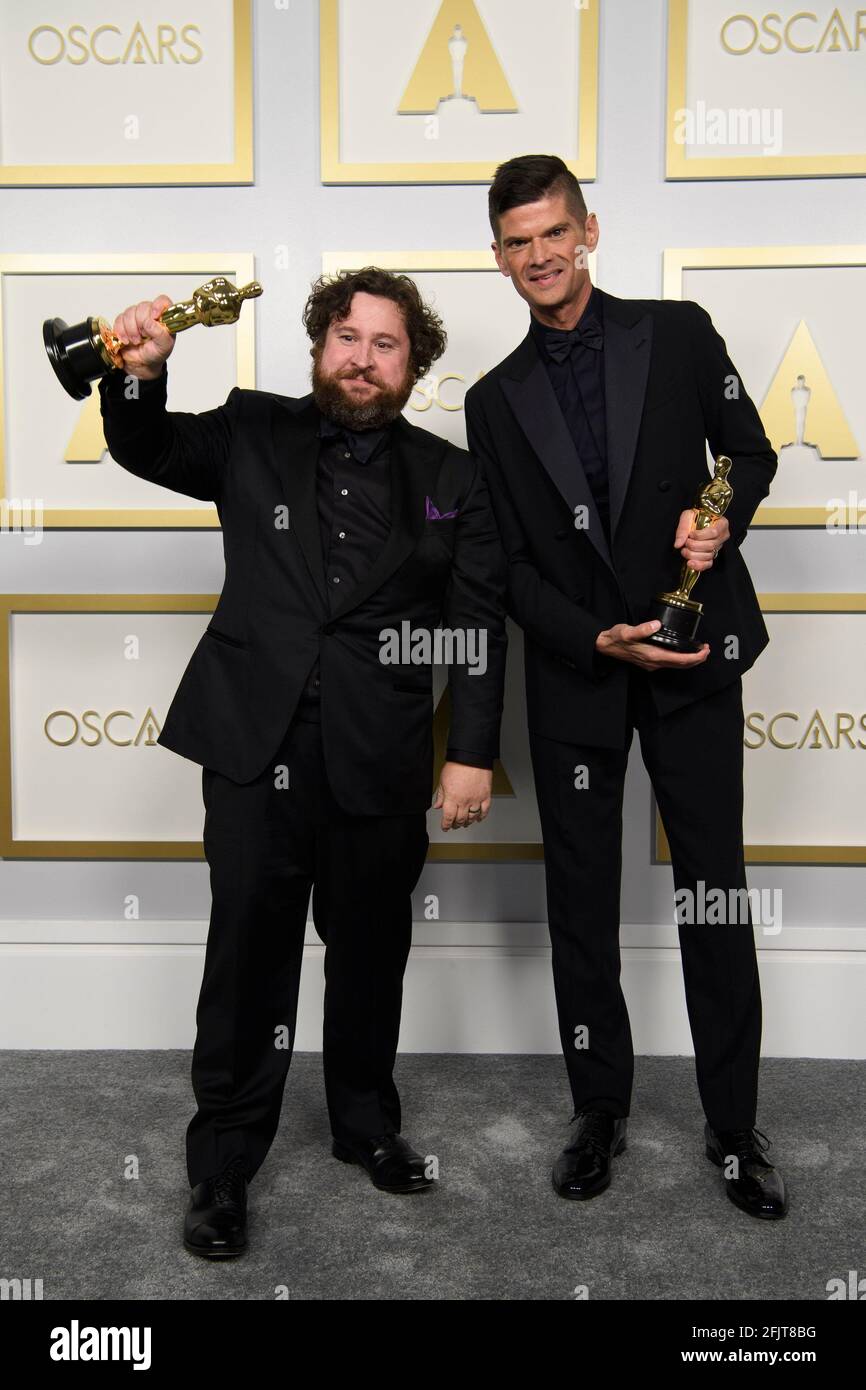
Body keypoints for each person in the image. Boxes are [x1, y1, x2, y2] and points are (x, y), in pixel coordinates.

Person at [99, 267, 507, 1257]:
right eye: (346, 338)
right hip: (252, 744)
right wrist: (140, 375)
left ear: (415, 365)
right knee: (247, 957)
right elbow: (145, 445)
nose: (361, 359)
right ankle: (222, 1168)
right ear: (317, 344)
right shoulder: (249, 431)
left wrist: (471, 755)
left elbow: (473, 626)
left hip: (379, 755)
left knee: (370, 952)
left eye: (386, 344)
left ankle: (365, 1125)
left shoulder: (452, 482)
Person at [464, 155, 787, 1220]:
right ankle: (595, 1110)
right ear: (498, 254)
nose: (538, 256)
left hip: (693, 656)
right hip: (580, 672)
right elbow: (506, 563)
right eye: (517, 241)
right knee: (579, 904)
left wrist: (721, 512)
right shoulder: (492, 399)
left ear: (587, 229)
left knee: (712, 887)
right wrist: (593, 635)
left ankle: (733, 1128)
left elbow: (745, 448)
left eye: (552, 232)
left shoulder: (680, 332)